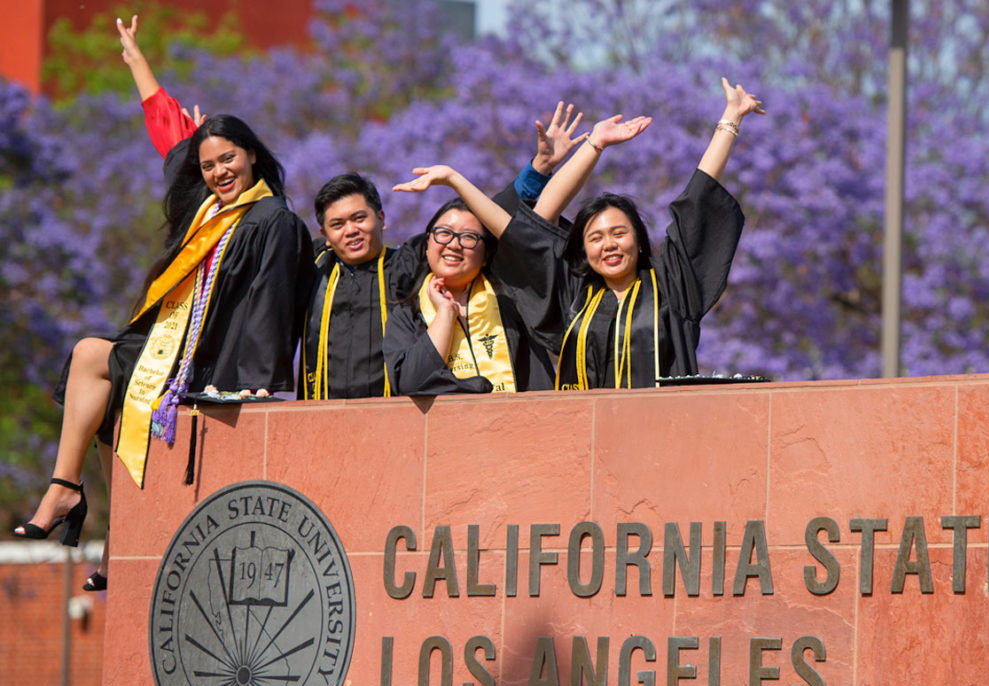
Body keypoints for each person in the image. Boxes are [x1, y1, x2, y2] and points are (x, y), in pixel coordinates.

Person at [11, 16, 312, 594]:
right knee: (91, 361)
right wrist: (135, 61)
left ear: (251, 155)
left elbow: (270, 300)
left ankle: (100, 519)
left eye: (228, 159)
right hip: (163, 342)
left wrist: (257, 380)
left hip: (212, 358)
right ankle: (70, 490)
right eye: (209, 165)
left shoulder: (272, 219)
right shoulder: (208, 206)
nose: (218, 171)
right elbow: (172, 134)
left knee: (102, 368)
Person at [302, 103, 586, 399]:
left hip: (395, 420)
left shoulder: (406, 264)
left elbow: (491, 225)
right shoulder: (313, 271)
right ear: (324, 234)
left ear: (382, 219)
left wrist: (538, 169)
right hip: (328, 415)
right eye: (338, 224)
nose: (351, 230)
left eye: (360, 218)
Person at [499, 77, 764, 389]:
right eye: (595, 238)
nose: (608, 245)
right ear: (583, 250)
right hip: (586, 433)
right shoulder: (575, 296)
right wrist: (594, 143)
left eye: (618, 233)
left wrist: (732, 117)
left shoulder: (672, 285)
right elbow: (535, 229)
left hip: (665, 430)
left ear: (638, 240)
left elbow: (698, 201)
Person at [383, 113, 653, 394]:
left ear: (487, 254)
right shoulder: (407, 315)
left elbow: (539, 217)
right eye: (443, 234)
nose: (454, 244)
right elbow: (411, 384)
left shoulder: (513, 292)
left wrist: (594, 143)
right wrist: (445, 314)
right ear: (426, 244)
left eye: (468, 237)